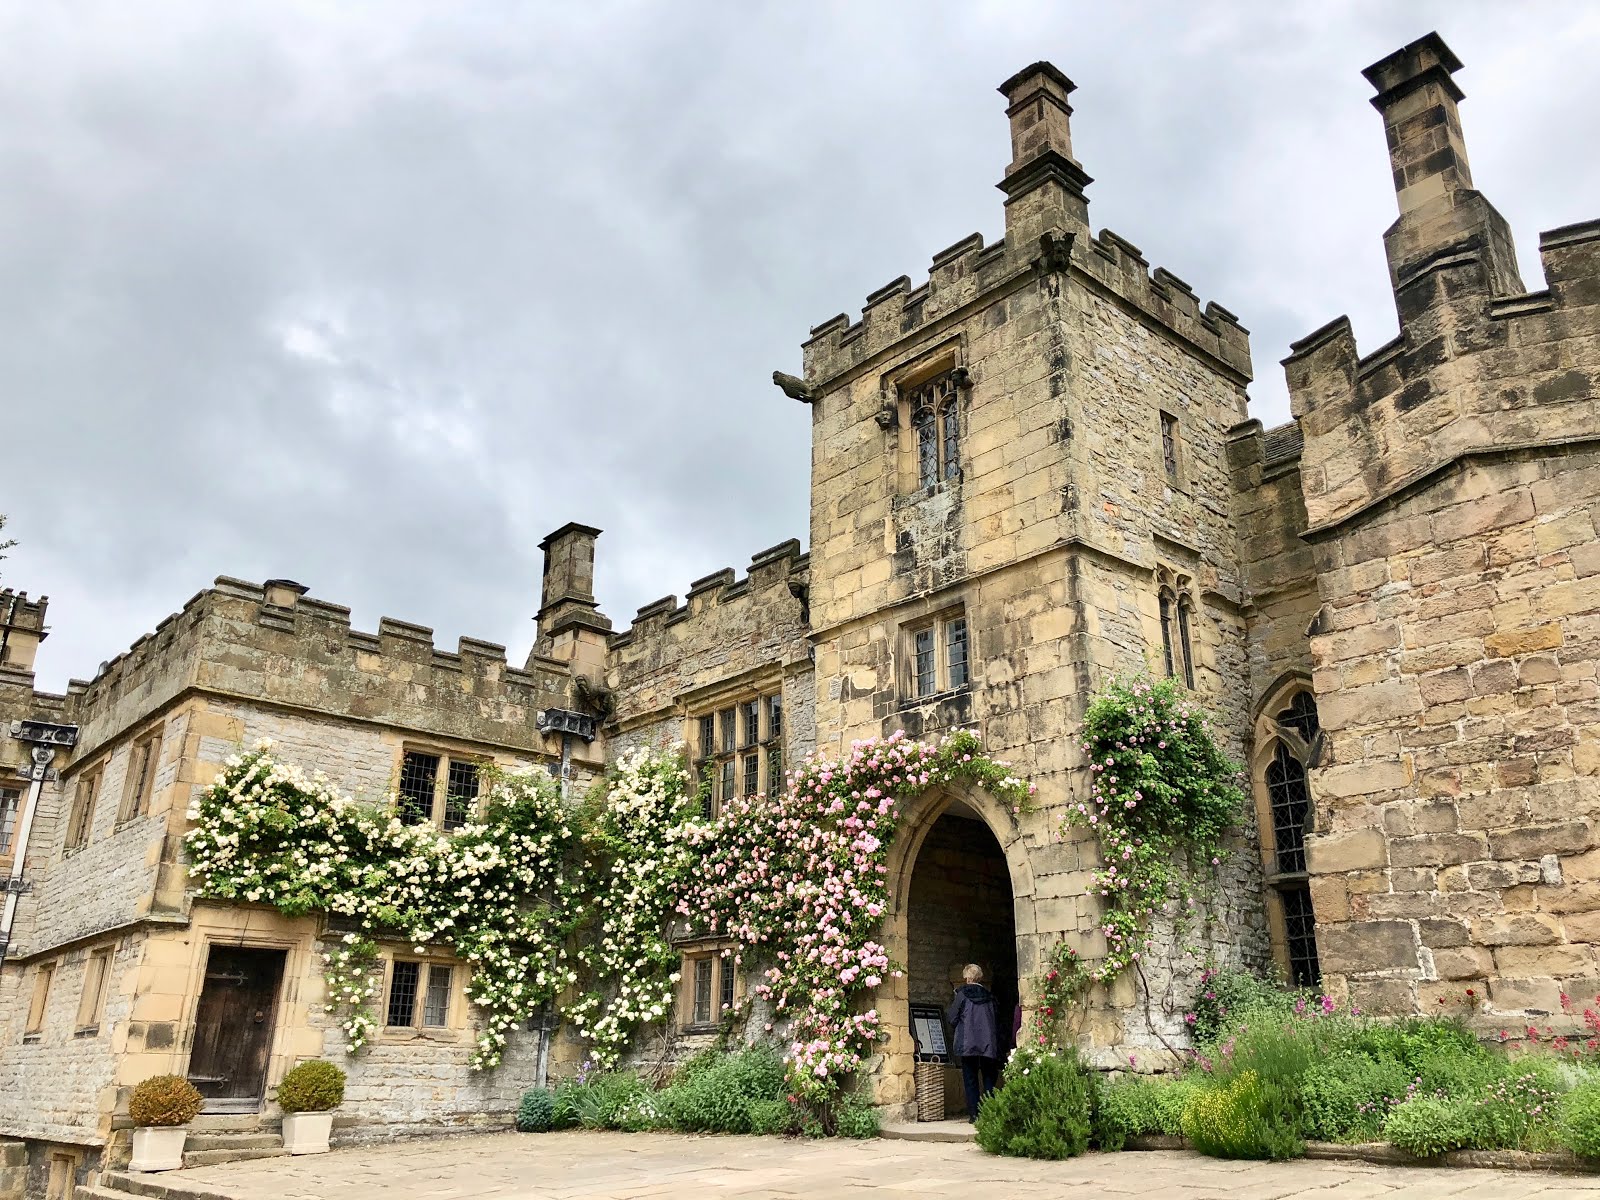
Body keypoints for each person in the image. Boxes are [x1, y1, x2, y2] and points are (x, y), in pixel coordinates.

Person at [946, 963, 1000, 1121]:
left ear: (968, 978)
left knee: (970, 1079)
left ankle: (974, 1114)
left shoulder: (962, 995)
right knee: (989, 1077)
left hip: (967, 1043)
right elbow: (997, 1019)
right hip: (988, 1042)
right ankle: (989, 1111)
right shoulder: (990, 996)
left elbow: (952, 1018)